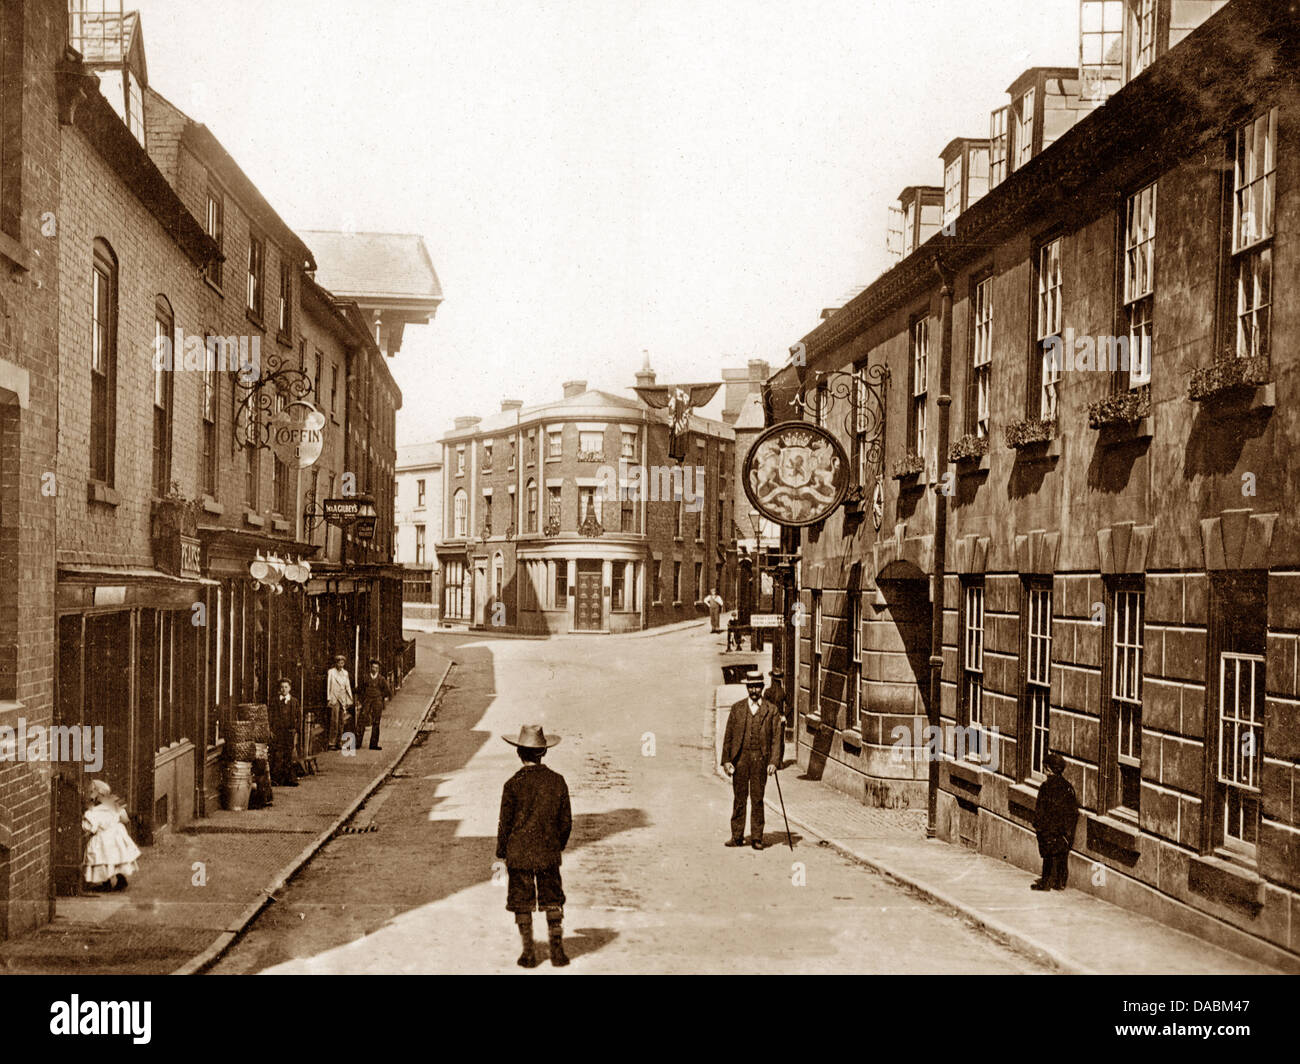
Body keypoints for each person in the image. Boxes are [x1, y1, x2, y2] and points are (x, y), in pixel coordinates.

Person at [496, 724, 572, 968]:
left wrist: (502, 852)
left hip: (519, 853)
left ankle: (528, 953)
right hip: (547, 851)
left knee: (521, 902)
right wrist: (556, 845)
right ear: (544, 753)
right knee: (553, 901)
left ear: (519, 753)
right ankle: (557, 952)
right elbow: (566, 821)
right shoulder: (557, 781)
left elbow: (504, 824)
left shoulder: (512, 784)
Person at [720, 669, 781, 850]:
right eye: (751, 687)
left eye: (757, 687)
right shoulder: (737, 709)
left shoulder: (771, 710)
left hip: (760, 760)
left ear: (762, 688)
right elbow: (728, 736)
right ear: (747, 688)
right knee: (739, 798)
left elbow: (777, 739)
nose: (754, 691)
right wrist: (726, 760)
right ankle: (737, 836)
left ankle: (757, 838)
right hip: (740, 760)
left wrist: (773, 762)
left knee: (757, 798)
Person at [83, 779, 140, 893]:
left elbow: (90, 827)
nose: (89, 795)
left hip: (103, 837)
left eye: (91, 792)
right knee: (116, 857)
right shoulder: (115, 805)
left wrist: (88, 828)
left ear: (97, 793)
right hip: (117, 833)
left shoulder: (93, 811)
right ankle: (121, 879)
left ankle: (107, 882)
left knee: (103, 858)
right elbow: (125, 819)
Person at [1032, 752, 1079, 891]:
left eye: (1045, 768)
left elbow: (1040, 810)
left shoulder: (1046, 787)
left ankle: (1046, 883)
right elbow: (1073, 812)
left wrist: (1039, 828)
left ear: (1048, 769)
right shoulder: (1068, 787)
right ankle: (1060, 883)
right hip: (1063, 832)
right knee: (1061, 857)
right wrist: (1067, 833)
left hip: (1048, 831)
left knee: (1048, 858)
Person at [355, 658, 393, 751]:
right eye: (373, 667)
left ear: (378, 669)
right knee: (362, 720)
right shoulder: (365, 677)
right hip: (367, 700)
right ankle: (357, 743)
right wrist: (362, 699)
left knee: (376, 722)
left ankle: (373, 744)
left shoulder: (381, 679)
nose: (374, 669)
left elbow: (388, 691)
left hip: (377, 701)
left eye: (376, 667)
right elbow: (360, 689)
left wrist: (380, 697)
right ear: (370, 668)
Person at [270, 677, 300, 786]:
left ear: (290, 688)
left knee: (289, 755)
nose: (284, 689)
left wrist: (296, 730)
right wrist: (271, 730)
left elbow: (298, 717)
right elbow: (271, 716)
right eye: (282, 687)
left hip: (289, 732)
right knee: (278, 755)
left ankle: (290, 779)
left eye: (286, 687)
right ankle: (276, 779)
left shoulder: (294, 701)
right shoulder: (275, 701)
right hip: (278, 732)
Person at [326, 654, 353, 751]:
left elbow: (347, 686)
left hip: (343, 698)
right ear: (336, 663)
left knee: (341, 721)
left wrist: (350, 698)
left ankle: (339, 741)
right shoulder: (331, 672)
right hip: (334, 698)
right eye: (339, 663)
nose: (340, 665)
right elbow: (328, 685)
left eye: (342, 663)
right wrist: (328, 698)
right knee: (334, 721)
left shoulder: (345, 673)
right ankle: (331, 742)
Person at [764, 668, 788, 768]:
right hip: (780, 718)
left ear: (772, 679)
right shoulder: (783, 692)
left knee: (769, 739)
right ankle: (780, 762)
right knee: (780, 740)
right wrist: (784, 715)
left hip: (770, 718)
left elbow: (764, 705)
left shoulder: (768, 692)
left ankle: (771, 761)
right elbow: (790, 705)